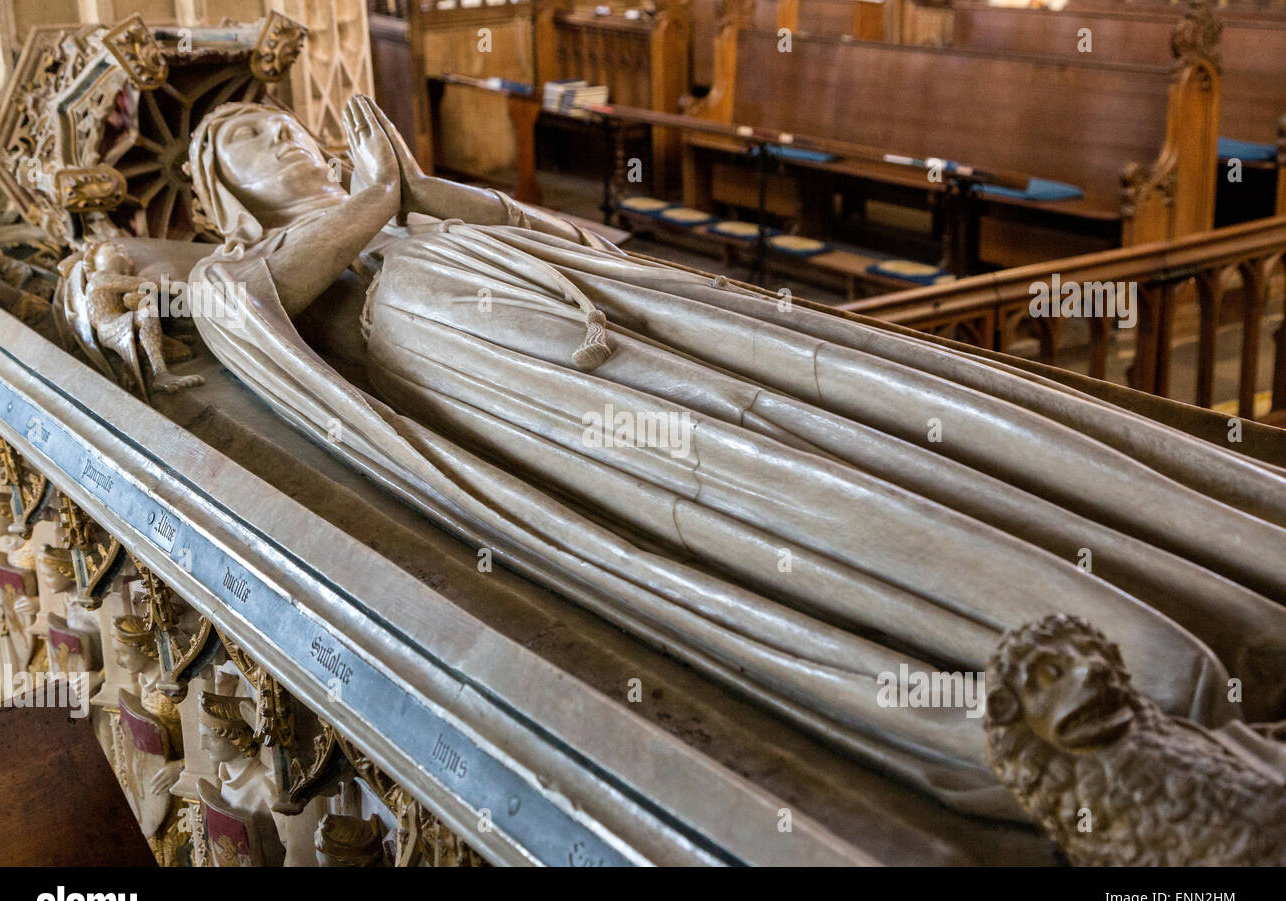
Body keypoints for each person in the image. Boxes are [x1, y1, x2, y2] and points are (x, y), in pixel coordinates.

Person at [177, 95, 1286, 819]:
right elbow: (252, 304)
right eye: (250, 139)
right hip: (578, 420)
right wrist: (377, 198)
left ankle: (1227, 590)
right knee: (838, 511)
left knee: (923, 423)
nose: (286, 135)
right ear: (223, 196)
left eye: (285, 120)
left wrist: (413, 192)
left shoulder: (417, 212)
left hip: (682, 337)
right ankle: (1143, 685)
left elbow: (588, 242)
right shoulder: (251, 276)